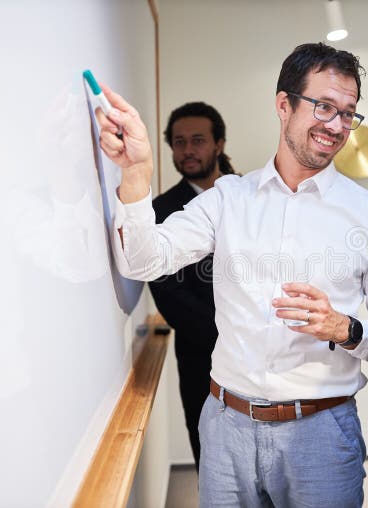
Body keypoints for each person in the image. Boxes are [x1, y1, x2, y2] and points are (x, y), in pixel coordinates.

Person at [96, 42, 368, 506]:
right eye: (324, 106)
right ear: (284, 104)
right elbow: (143, 261)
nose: (336, 125)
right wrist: (136, 172)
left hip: (322, 436)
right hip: (225, 428)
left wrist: (345, 328)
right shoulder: (229, 198)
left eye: (348, 113)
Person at [149, 102, 234, 469]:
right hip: (203, 362)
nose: (187, 150)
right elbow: (169, 293)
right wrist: (235, 333)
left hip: (269, 359)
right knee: (215, 466)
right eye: (179, 142)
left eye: (198, 140)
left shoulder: (248, 194)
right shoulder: (160, 210)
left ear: (218, 144)